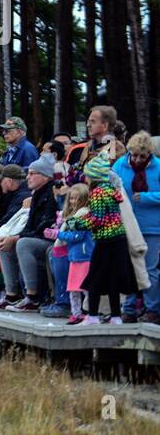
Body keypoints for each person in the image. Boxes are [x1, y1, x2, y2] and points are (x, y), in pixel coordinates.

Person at [0, 155, 59, 311]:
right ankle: (11, 295)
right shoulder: (36, 193)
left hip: (50, 238)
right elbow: (29, 225)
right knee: (4, 243)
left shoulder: (52, 194)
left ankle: (32, 297)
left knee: (23, 243)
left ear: (45, 176)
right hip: (36, 236)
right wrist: (13, 237)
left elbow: (46, 225)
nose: (27, 177)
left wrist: (18, 238)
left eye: (32, 173)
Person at [81, 154, 138, 323]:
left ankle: (92, 315)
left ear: (94, 176)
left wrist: (75, 223)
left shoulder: (97, 192)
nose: (85, 178)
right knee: (114, 277)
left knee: (95, 277)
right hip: (118, 239)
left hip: (105, 240)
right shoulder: (112, 190)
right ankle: (116, 316)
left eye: (87, 175)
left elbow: (97, 219)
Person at [111, 131, 160, 324]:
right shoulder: (120, 165)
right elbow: (109, 187)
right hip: (126, 224)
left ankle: (152, 310)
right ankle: (129, 309)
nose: (137, 159)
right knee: (128, 267)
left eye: (142, 156)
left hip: (152, 227)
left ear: (150, 154)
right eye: (134, 154)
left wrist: (148, 197)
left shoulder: (158, 167)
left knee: (149, 269)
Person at [54, 184, 95, 324]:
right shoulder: (73, 216)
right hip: (75, 256)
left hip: (84, 256)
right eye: (71, 198)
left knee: (84, 288)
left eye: (76, 199)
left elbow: (77, 236)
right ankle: (76, 313)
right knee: (73, 287)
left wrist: (58, 234)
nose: (73, 202)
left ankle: (90, 312)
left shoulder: (84, 214)